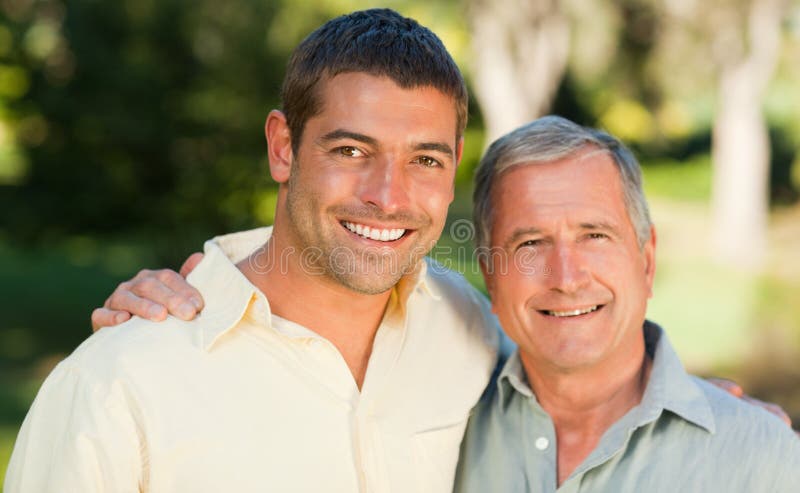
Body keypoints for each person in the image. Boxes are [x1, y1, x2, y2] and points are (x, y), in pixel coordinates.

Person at [4, 9, 500, 492]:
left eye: (425, 159)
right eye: (351, 151)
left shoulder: (476, 334)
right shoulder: (117, 385)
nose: (388, 196)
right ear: (283, 147)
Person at [453, 115, 800, 492]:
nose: (567, 279)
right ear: (490, 275)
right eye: (531, 243)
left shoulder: (763, 461)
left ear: (647, 261)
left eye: (595, 235)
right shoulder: (443, 430)